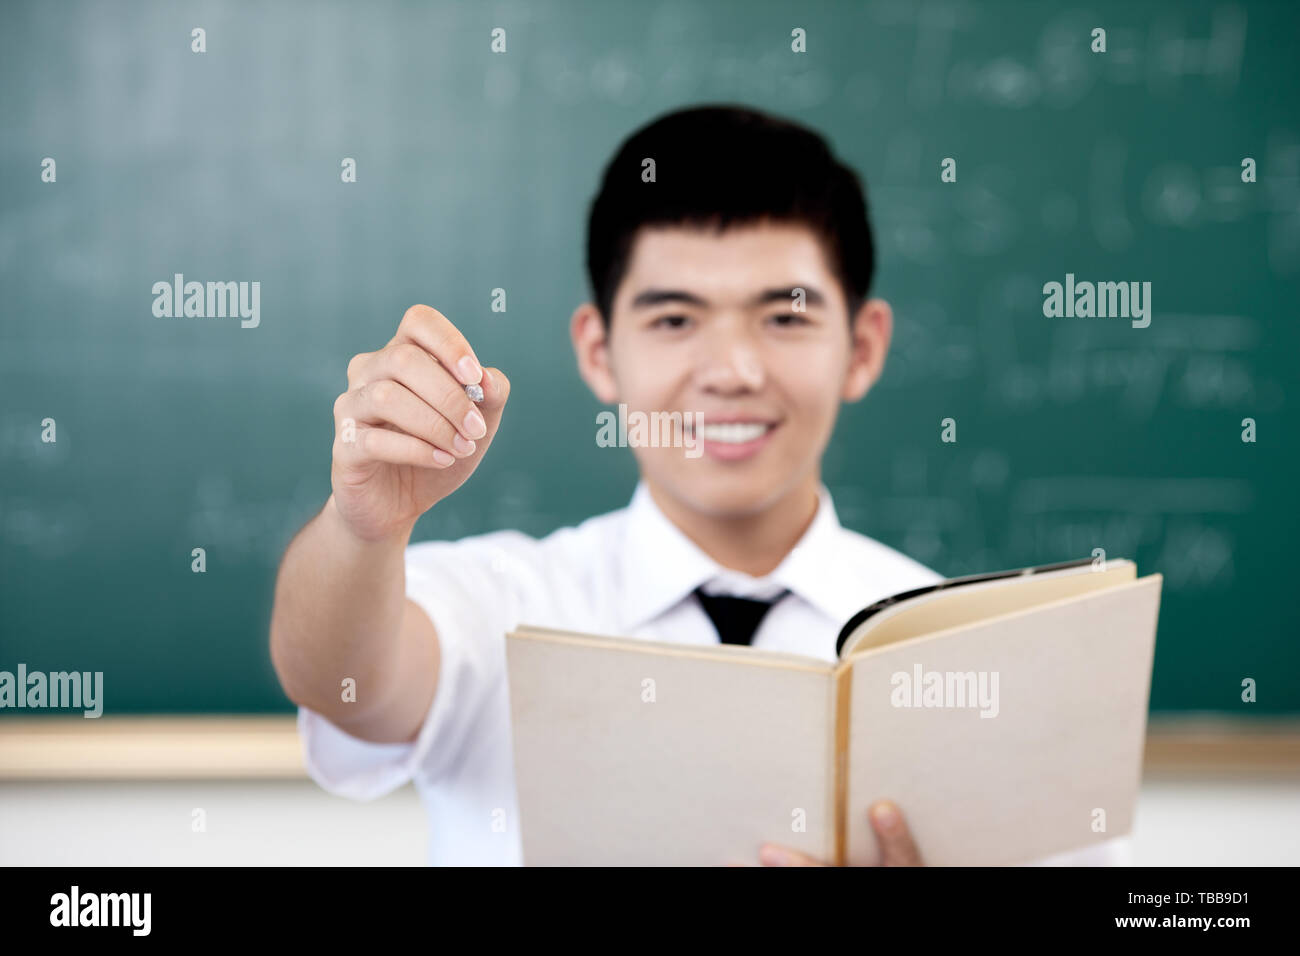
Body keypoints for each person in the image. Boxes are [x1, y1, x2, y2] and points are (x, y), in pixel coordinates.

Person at [269, 104, 1130, 867]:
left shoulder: (978, 663)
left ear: (863, 347)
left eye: (785, 316)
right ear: (599, 350)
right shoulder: (505, 606)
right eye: (675, 319)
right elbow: (342, 679)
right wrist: (363, 530)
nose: (732, 371)